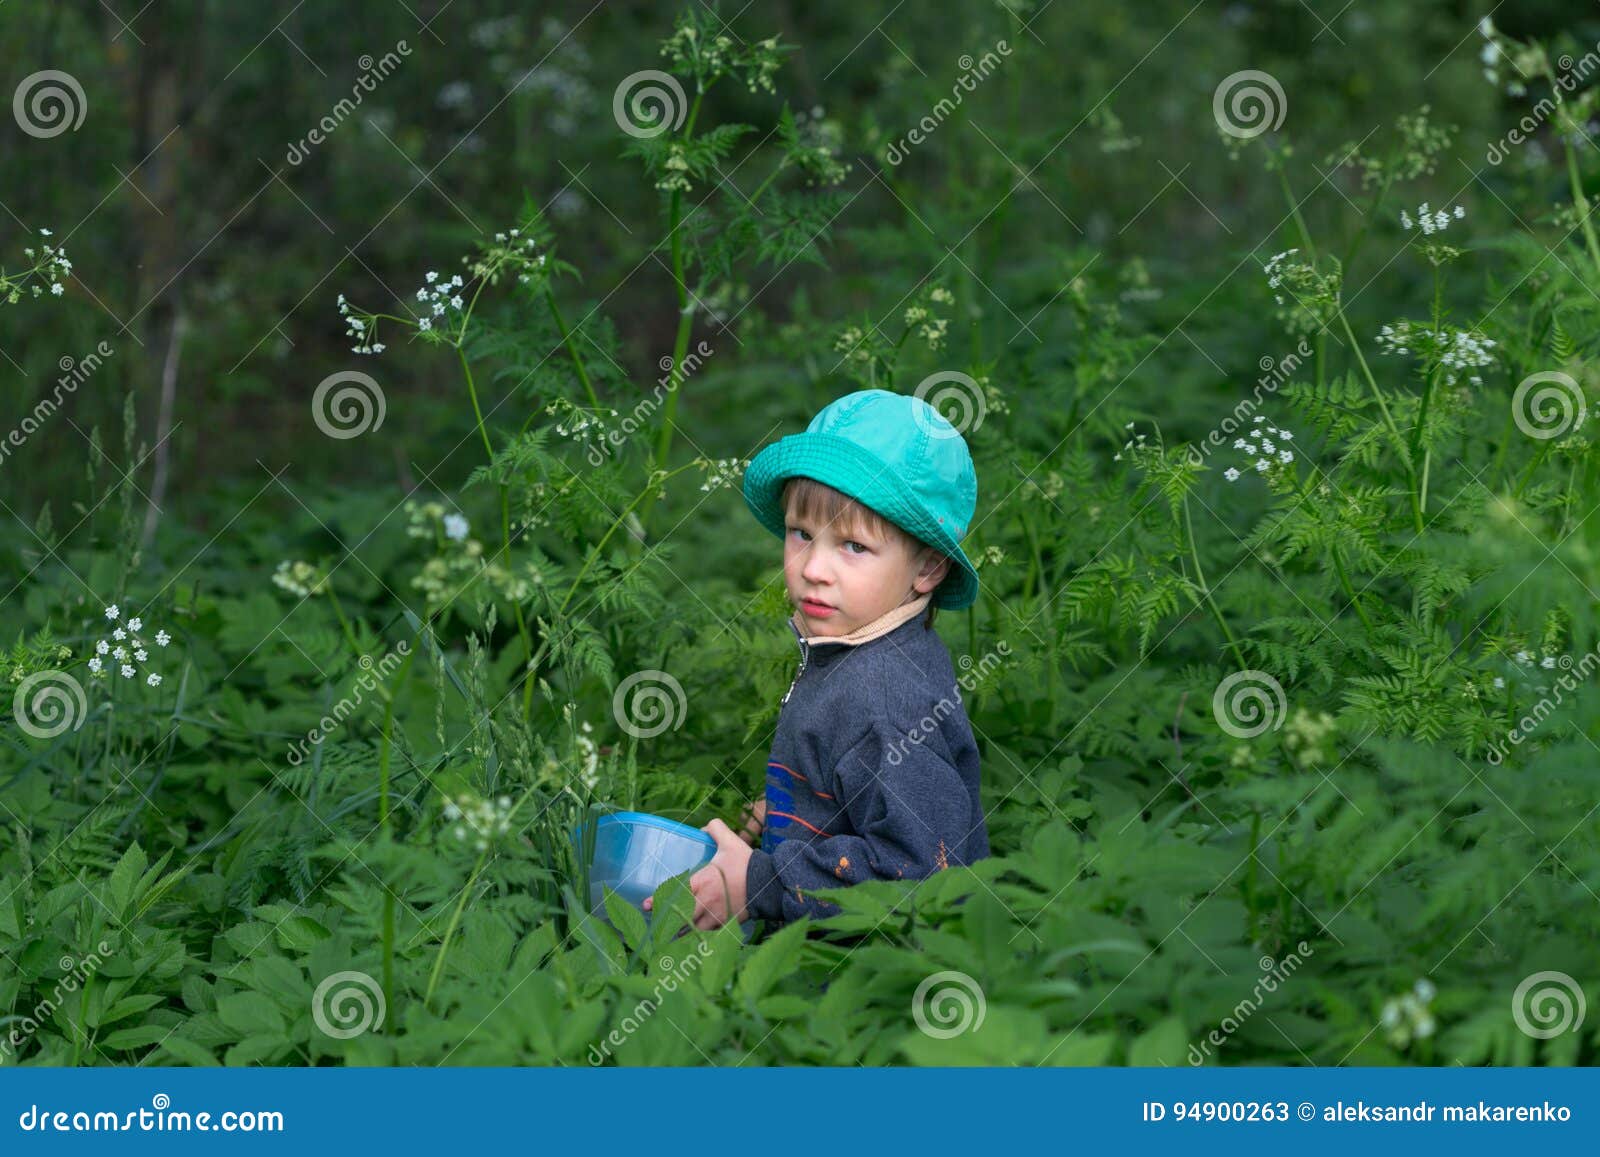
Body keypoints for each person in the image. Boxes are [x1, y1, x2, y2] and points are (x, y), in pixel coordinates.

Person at [646, 388, 989, 931]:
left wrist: (761, 882)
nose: (814, 569)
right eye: (802, 534)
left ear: (926, 568)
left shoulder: (887, 699)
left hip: (874, 984)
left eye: (854, 546)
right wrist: (797, 807)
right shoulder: (854, 645)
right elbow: (855, 778)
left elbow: (922, 874)